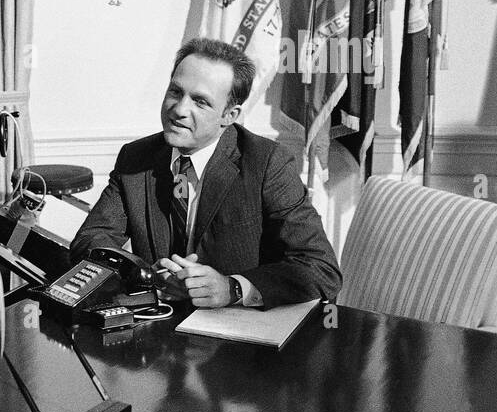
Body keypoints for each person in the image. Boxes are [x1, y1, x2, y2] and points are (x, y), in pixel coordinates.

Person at [71, 38, 341, 309]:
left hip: (238, 337)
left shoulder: (267, 163)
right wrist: (142, 274)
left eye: (200, 102)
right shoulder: (136, 158)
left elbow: (321, 268)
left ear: (229, 115)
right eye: (176, 92)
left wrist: (233, 288)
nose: (179, 110)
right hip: (156, 329)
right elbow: (90, 240)